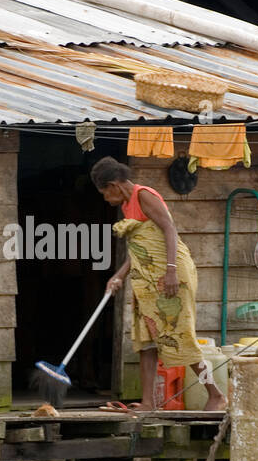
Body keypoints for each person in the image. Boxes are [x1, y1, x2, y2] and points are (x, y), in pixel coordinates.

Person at [91, 156, 226, 411]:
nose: (106, 199)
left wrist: (171, 271)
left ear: (114, 185)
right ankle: (148, 403)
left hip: (171, 275)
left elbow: (169, 229)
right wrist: (119, 275)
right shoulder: (126, 206)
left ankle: (216, 394)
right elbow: (140, 250)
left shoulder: (144, 196)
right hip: (148, 280)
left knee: (179, 335)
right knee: (147, 339)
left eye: (104, 193)